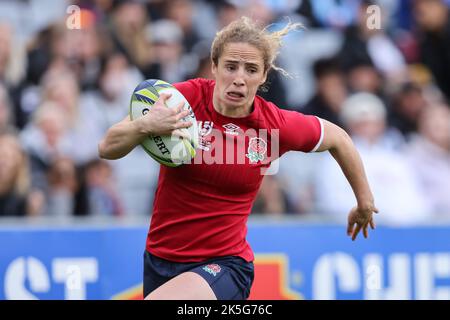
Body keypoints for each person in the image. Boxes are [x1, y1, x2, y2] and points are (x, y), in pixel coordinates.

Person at [98, 17, 378, 300]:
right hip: (160, 259)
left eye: (251, 69)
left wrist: (364, 202)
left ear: (264, 75)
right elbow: (107, 147)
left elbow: (339, 139)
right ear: (214, 66)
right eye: (231, 66)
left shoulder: (275, 125)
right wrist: (145, 125)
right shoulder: (182, 100)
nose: (240, 78)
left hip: (224, 266)